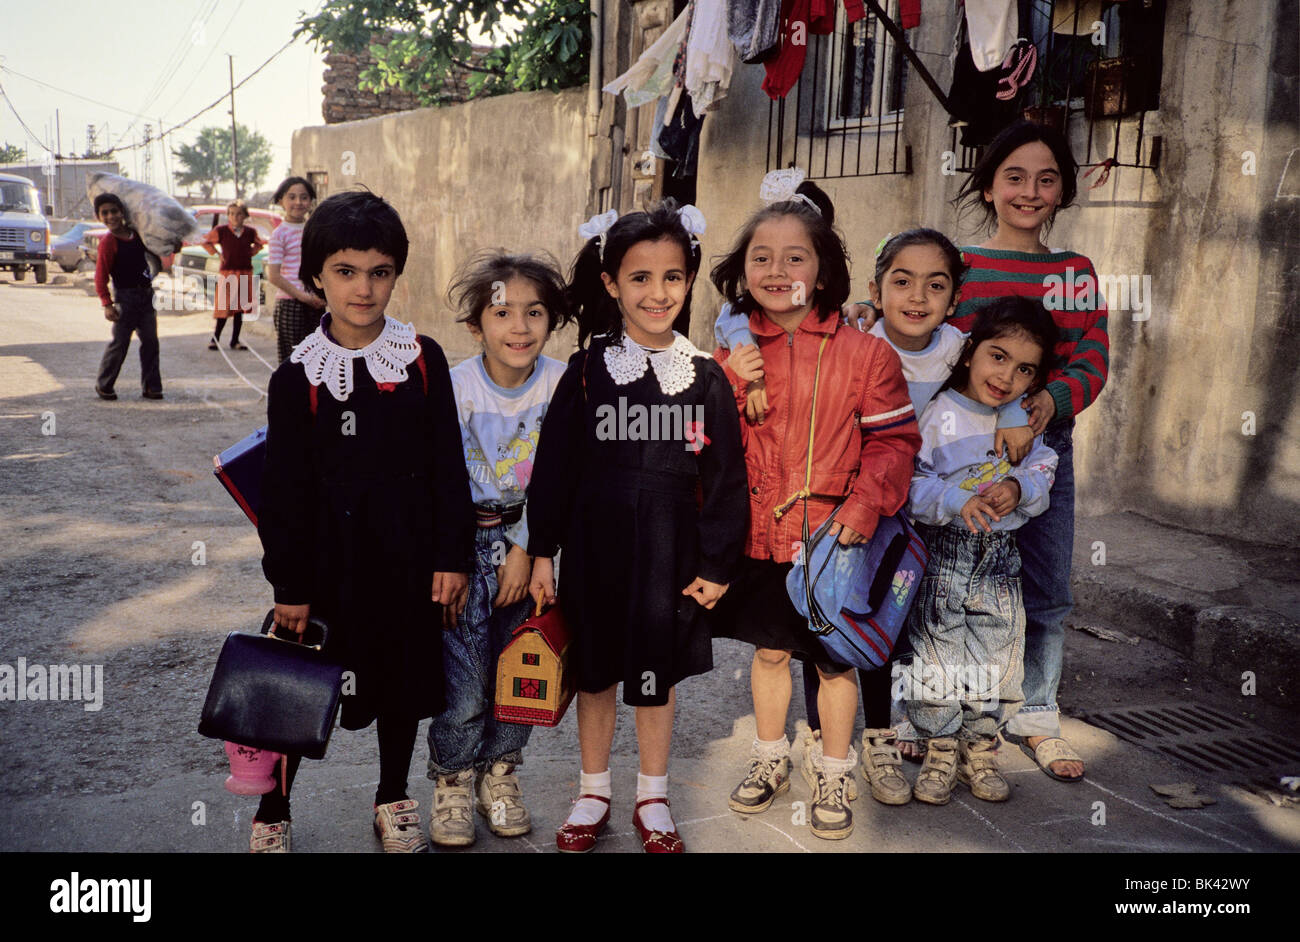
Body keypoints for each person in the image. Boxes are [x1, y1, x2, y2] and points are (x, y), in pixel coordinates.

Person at [254, 190, 474, 853]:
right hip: (323, 568)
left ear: (396, 274)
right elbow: (282, 490)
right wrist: (288, 583)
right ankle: (273, 804)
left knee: (399, 683)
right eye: (346, 271)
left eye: (380, 272)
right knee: (299, 689)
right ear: (317, 274)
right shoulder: (297, 379)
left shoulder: (422, 360)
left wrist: (452, 556)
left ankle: (391, 795)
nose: (364, 288)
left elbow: (447, 469)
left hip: (405, 562)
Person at [527, 201, 748, 854]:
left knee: (655, 677)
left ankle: (653, 795)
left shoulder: (704, 379)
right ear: (611, 283)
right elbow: (554, 470)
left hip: (669, 555)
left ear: (689, 280)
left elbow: (728, 477)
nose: (658, 293)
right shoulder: (588, 373)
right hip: (596, 552)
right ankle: (592, 789)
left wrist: (716, 565)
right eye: (641, 277)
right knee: (593, 674)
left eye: (673, 277)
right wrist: (542, 552)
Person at [708, 169, 920, 840]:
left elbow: (893, 443)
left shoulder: (868, 355)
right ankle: (770, 756)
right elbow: (704, 446)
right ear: (744, 272)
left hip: (835, 540)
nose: (777, 270)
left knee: (835, 660)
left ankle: (834, 767)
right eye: (761, 258)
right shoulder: (730, 356)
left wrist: (863, 508)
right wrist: (721, 383)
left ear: (824, 270)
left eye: (795, 256)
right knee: (770, 651)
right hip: (758, 537)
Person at [949, 119, 1109, 783]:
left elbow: (1092, 359)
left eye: (1047, 179)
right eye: (1014, 176)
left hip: (1047, 450)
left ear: (1062, 191)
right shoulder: (958, 267)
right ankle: (945, 712)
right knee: (959, 586)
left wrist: (1039, 406)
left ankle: (1037, 713)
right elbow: (936, 350)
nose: (1030, 191)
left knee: (1046, 588)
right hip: (963, 454)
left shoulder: (1076, 273)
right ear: (988, 186)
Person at [425, 250, 570, 848]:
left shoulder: (562, 384)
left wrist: (532, 550)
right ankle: (453, 783)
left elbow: (561, 477)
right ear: (475, 325)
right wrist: (454, 559)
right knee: (463, 678)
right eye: (503, 312)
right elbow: (438, 482)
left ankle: (501, 776)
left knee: (522, 670)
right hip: (466, 545)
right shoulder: (454, 388)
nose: (520, 327)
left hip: (530, 549)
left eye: (534, 313)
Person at [905, 296, 1060, 804]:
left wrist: (1018, 489)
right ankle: (939, 743)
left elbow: (1044, 469)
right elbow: (910, 481)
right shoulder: (937, 414)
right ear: (970, 352)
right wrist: (952, 499)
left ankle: (979, 743)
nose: (1006, 376)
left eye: (1023, 370)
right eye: (997, 356)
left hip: (999, 555)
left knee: (997, 648)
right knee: (937, 648)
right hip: (944, 551)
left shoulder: (1023, 426)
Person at [92, 193, 162, 401]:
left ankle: (152, 387)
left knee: (150, 342)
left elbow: (157, 252)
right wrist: (107, 304)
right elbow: (100, 276)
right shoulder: (108, 242)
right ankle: (104, 385)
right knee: (120, 343)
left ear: (122, 212)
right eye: (105, 213)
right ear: (99, 217)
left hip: (146, 296)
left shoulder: (138, 235)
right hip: (125, 299)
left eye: (114, 211)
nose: (111, 216)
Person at [266, 176, 325, 363]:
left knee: (318, 359)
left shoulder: (314, 230)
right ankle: (288, 393)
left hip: (316, 302)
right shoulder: (279, 234)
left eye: (304, 197)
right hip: (291, 304)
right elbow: (273, 276)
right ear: (281, 201)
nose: (298, 202)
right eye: (291, 197)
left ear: (311, 201)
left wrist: (321, 296)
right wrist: (303, 297)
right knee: (293, 361)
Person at [201, 199, 263, 351]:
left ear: (245, 216)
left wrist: (250, 252)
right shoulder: (221, 231)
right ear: (228, 215)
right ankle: (215, 339)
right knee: (224, 306)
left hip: (244, 272)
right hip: (227, 272)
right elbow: (205, 241)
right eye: (232, 214)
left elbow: (259, 244)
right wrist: (217, 254)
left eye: (239, 214)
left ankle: (235, 340)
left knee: (240, 308)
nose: (236, 217)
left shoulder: (250, 232)